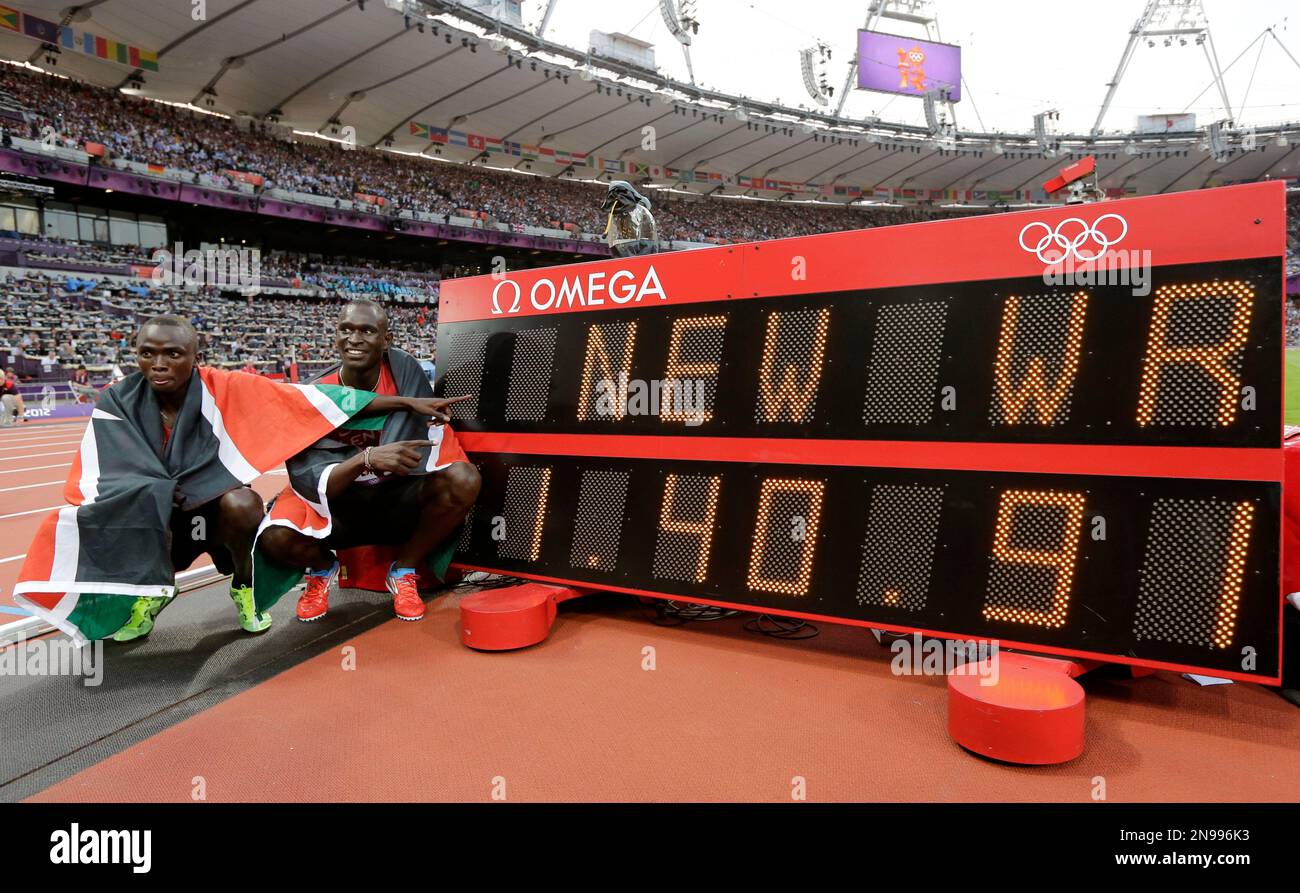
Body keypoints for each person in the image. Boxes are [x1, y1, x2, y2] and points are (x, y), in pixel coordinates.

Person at [12, 315, 452, 644]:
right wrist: (161, 491)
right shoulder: (117, 400)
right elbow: (104, 473)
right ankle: (149, 593)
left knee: (244, 504)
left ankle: (243, 584)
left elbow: (310, 400)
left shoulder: (222, 387)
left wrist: (406, 402)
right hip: (153, 513)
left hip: (212, 509)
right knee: (110, 509)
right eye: (148, 353)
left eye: (173, 353)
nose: (159, 363)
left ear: (194, 357)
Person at [257, 299, 480, 622]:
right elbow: (314, 483)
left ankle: (403, 569)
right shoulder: (315, 394)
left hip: (393, 497)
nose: (354, 339)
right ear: (335, 336)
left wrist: (407, 420)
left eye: (367, 331)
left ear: (386, 340)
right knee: (274, 537)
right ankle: (321, 569)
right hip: (339, 505)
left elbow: (418, 455)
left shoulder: (404, 373)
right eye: (346, 330)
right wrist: (367, 459)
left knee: (464, 479)